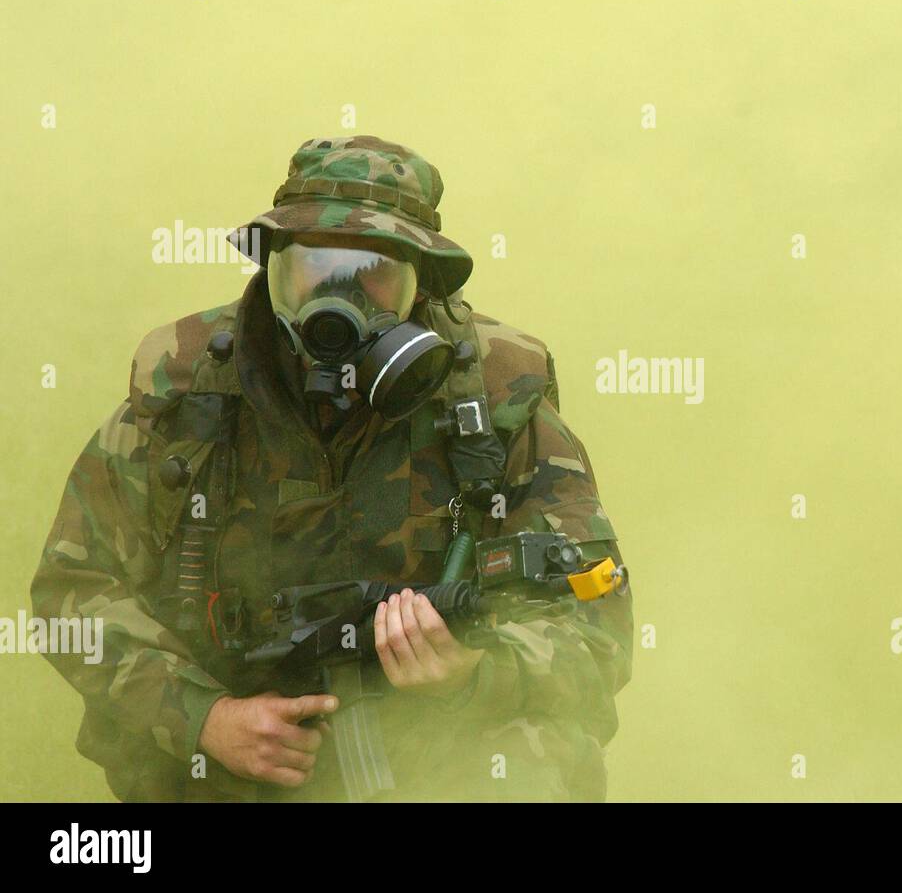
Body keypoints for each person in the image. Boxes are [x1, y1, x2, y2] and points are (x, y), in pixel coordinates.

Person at [30, 135, 633, 801]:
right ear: (275, 271)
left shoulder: (497, 396)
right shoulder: (187, 389)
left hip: (449, 764)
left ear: (419, 288)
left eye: (375, 269)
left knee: (531, 762)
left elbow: (597, 621)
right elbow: (72, 592)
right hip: (239, 762)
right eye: (315, 263)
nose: (342, 293)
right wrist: (202, 716)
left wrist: (475, 673)